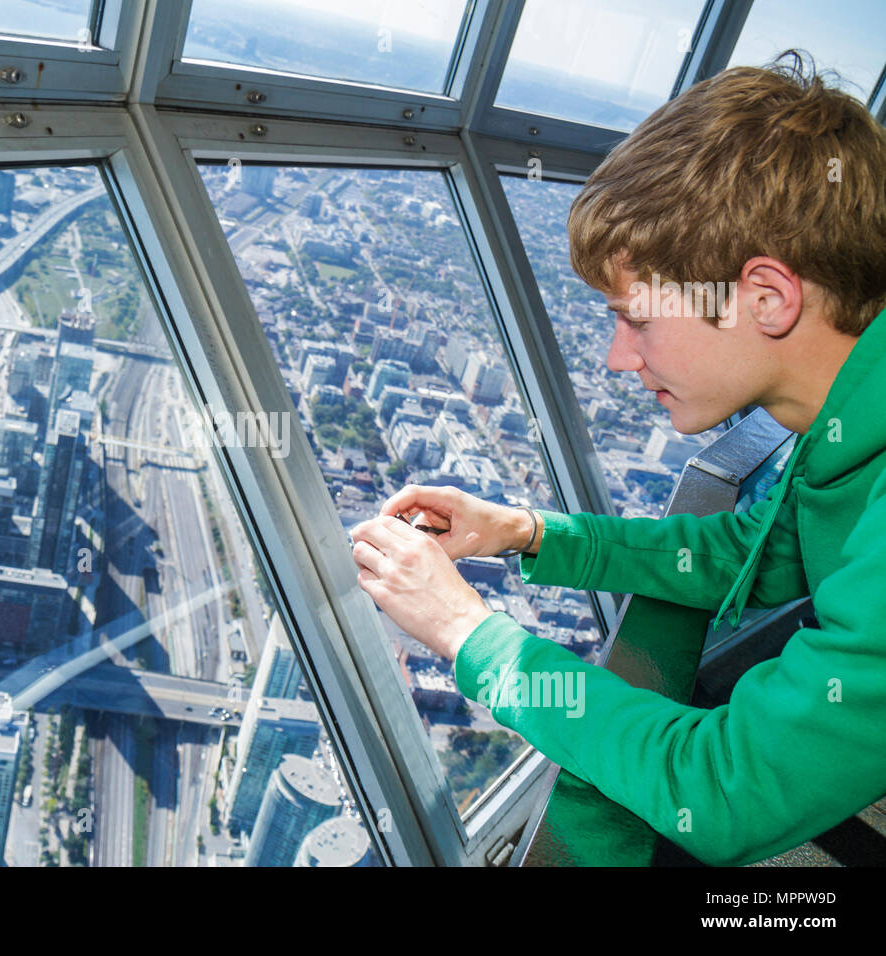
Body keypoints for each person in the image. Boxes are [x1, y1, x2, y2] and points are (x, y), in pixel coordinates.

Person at [348, 52, 886, 866]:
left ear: (767, 299)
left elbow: (722, 790)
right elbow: (751, 559)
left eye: (636, 318)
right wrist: (525, 532)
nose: (616, 357)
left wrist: (466, 631)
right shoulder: (841, 417)